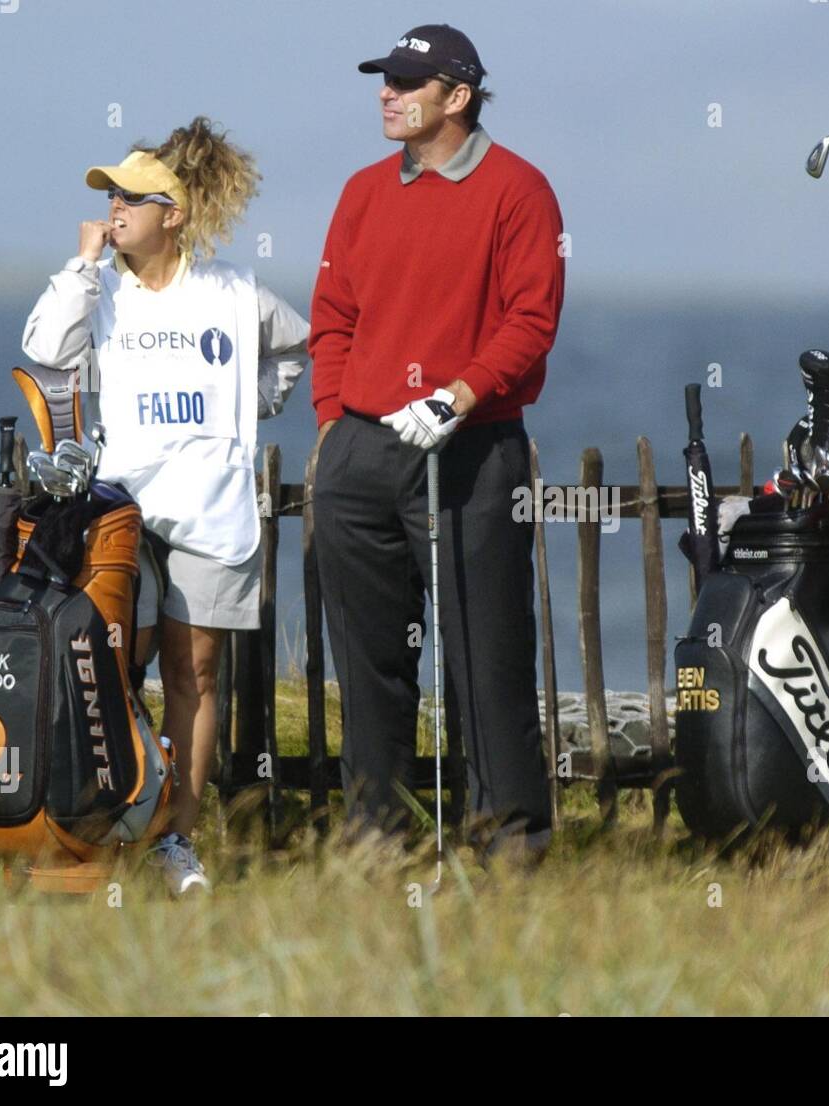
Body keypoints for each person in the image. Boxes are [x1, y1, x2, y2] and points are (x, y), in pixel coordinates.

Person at [22, 118, 309, 894]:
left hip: (211, 509)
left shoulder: (232, 292)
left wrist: (253, 406)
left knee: (198, 676)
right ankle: (105, 829)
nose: (114, 208)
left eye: (131, 198)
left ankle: (175, 840)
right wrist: (82, 265)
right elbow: (47, 351)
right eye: (109, 196)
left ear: (172, 215)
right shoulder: (100, 290)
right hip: (118, 512)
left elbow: (295, 345)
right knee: (111, 670)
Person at [310, 25, 564, 859]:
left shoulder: (520, 191)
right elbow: (335, 319)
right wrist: (331, 427)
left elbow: (531, 320)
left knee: (486, 654)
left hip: (470, 448)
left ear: (457, 96)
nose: (389, 92)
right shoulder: (361, 192)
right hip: (362, 450)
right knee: (369, 658)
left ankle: (508, 843)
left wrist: (457, 395)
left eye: (409, 82)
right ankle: (376, 837)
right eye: (386, 79)